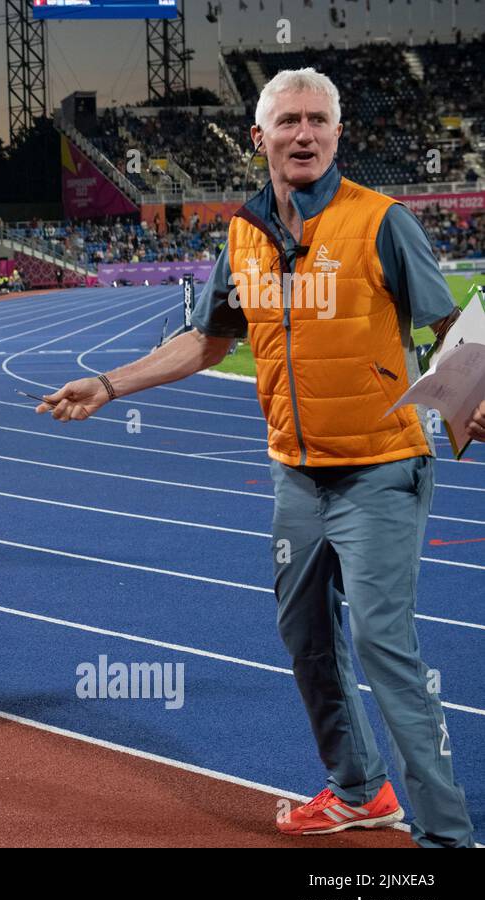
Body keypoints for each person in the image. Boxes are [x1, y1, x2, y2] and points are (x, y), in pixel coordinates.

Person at [40, 68, 474, 848]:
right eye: (288, 122)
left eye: (317, 121)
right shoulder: (242, 233)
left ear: (338, 136)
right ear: (260, 138)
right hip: (295, 476)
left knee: (382, 641)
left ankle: (444, 833)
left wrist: (475, 401)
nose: (303, 134)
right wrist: (111, 383)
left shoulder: (382, 222)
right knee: (305, 637)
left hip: (381, 465)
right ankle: (358, 791)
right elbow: (210, 339)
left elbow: (450, 330)